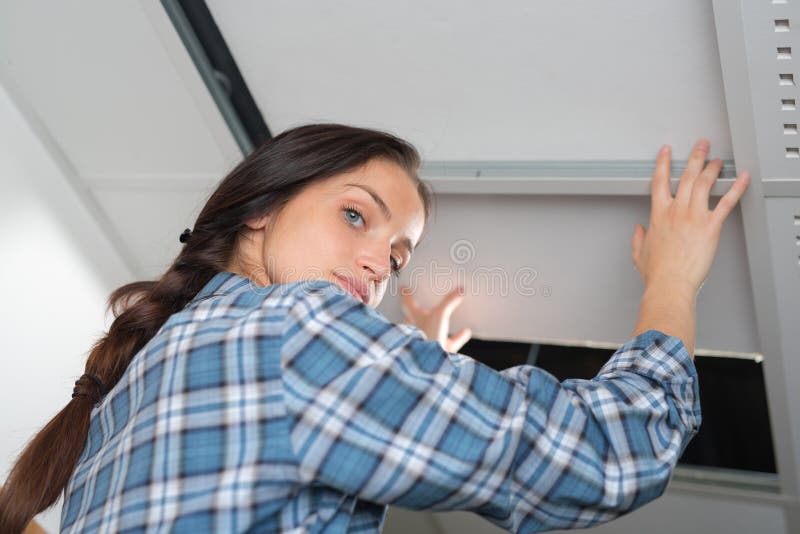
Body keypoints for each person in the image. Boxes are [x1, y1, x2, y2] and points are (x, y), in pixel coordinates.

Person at [0, 125, 749, 533]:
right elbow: (605, 452)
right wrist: (674, 282)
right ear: (261, 208)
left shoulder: (135, 382)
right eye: (356, 215)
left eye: (397, 256)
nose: (376, 266)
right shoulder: (296, 327)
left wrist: (415, 361)